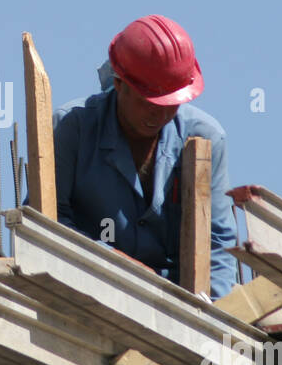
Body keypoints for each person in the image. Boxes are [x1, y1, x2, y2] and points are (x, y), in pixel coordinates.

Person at [53, 15, 237, 298]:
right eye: (149, 103)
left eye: (171, 104)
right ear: (119, 84)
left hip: (184, 299)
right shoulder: (72, 129)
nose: (161, 115)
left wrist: (211, 312)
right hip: (91, 292)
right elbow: (49, 224)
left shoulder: (206, 137)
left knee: (273, 325)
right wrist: (116, 265)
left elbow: (218, 239)